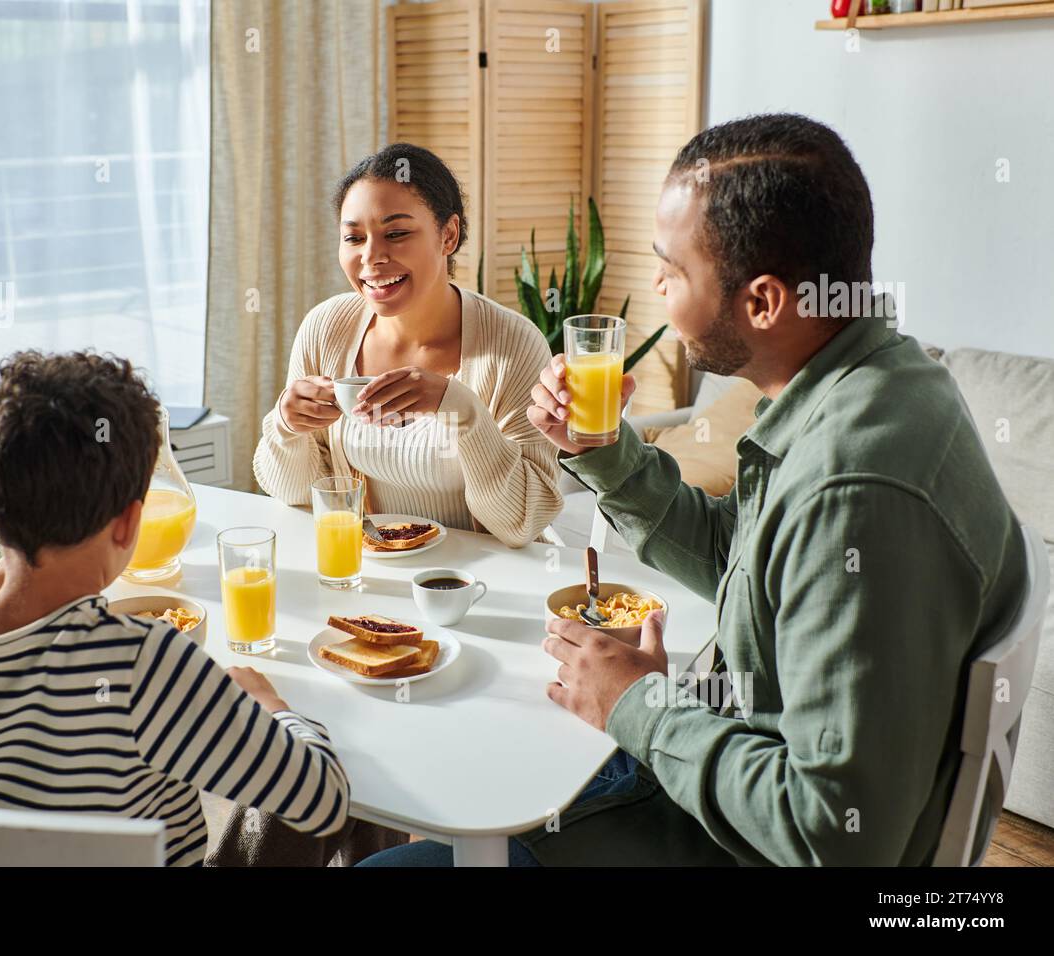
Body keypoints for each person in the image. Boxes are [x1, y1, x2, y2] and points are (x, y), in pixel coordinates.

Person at [370, 112, 1029, 866]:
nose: (653, 285)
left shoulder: (853, 491)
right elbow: (739, 558)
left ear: (764, 303)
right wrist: (605, 452)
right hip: (719, 767)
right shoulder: (874, 380)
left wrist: (641, 706)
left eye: (672, 269)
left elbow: (834, 833)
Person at [0, 351, 349, 867]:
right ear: (128, 524)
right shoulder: (146, 664)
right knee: (316, 783)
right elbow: (320, 801)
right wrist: (271, 707)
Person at [252, 142, 562, 547]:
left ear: (448, 235)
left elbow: (522, 522)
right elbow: (295, 493)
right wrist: (287, 426)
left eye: (396, 233)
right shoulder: (326, 328)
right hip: (376, 573)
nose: (371, 257)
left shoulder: (513, 346)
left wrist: (461, 410)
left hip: (484, 584)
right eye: (353, 238)